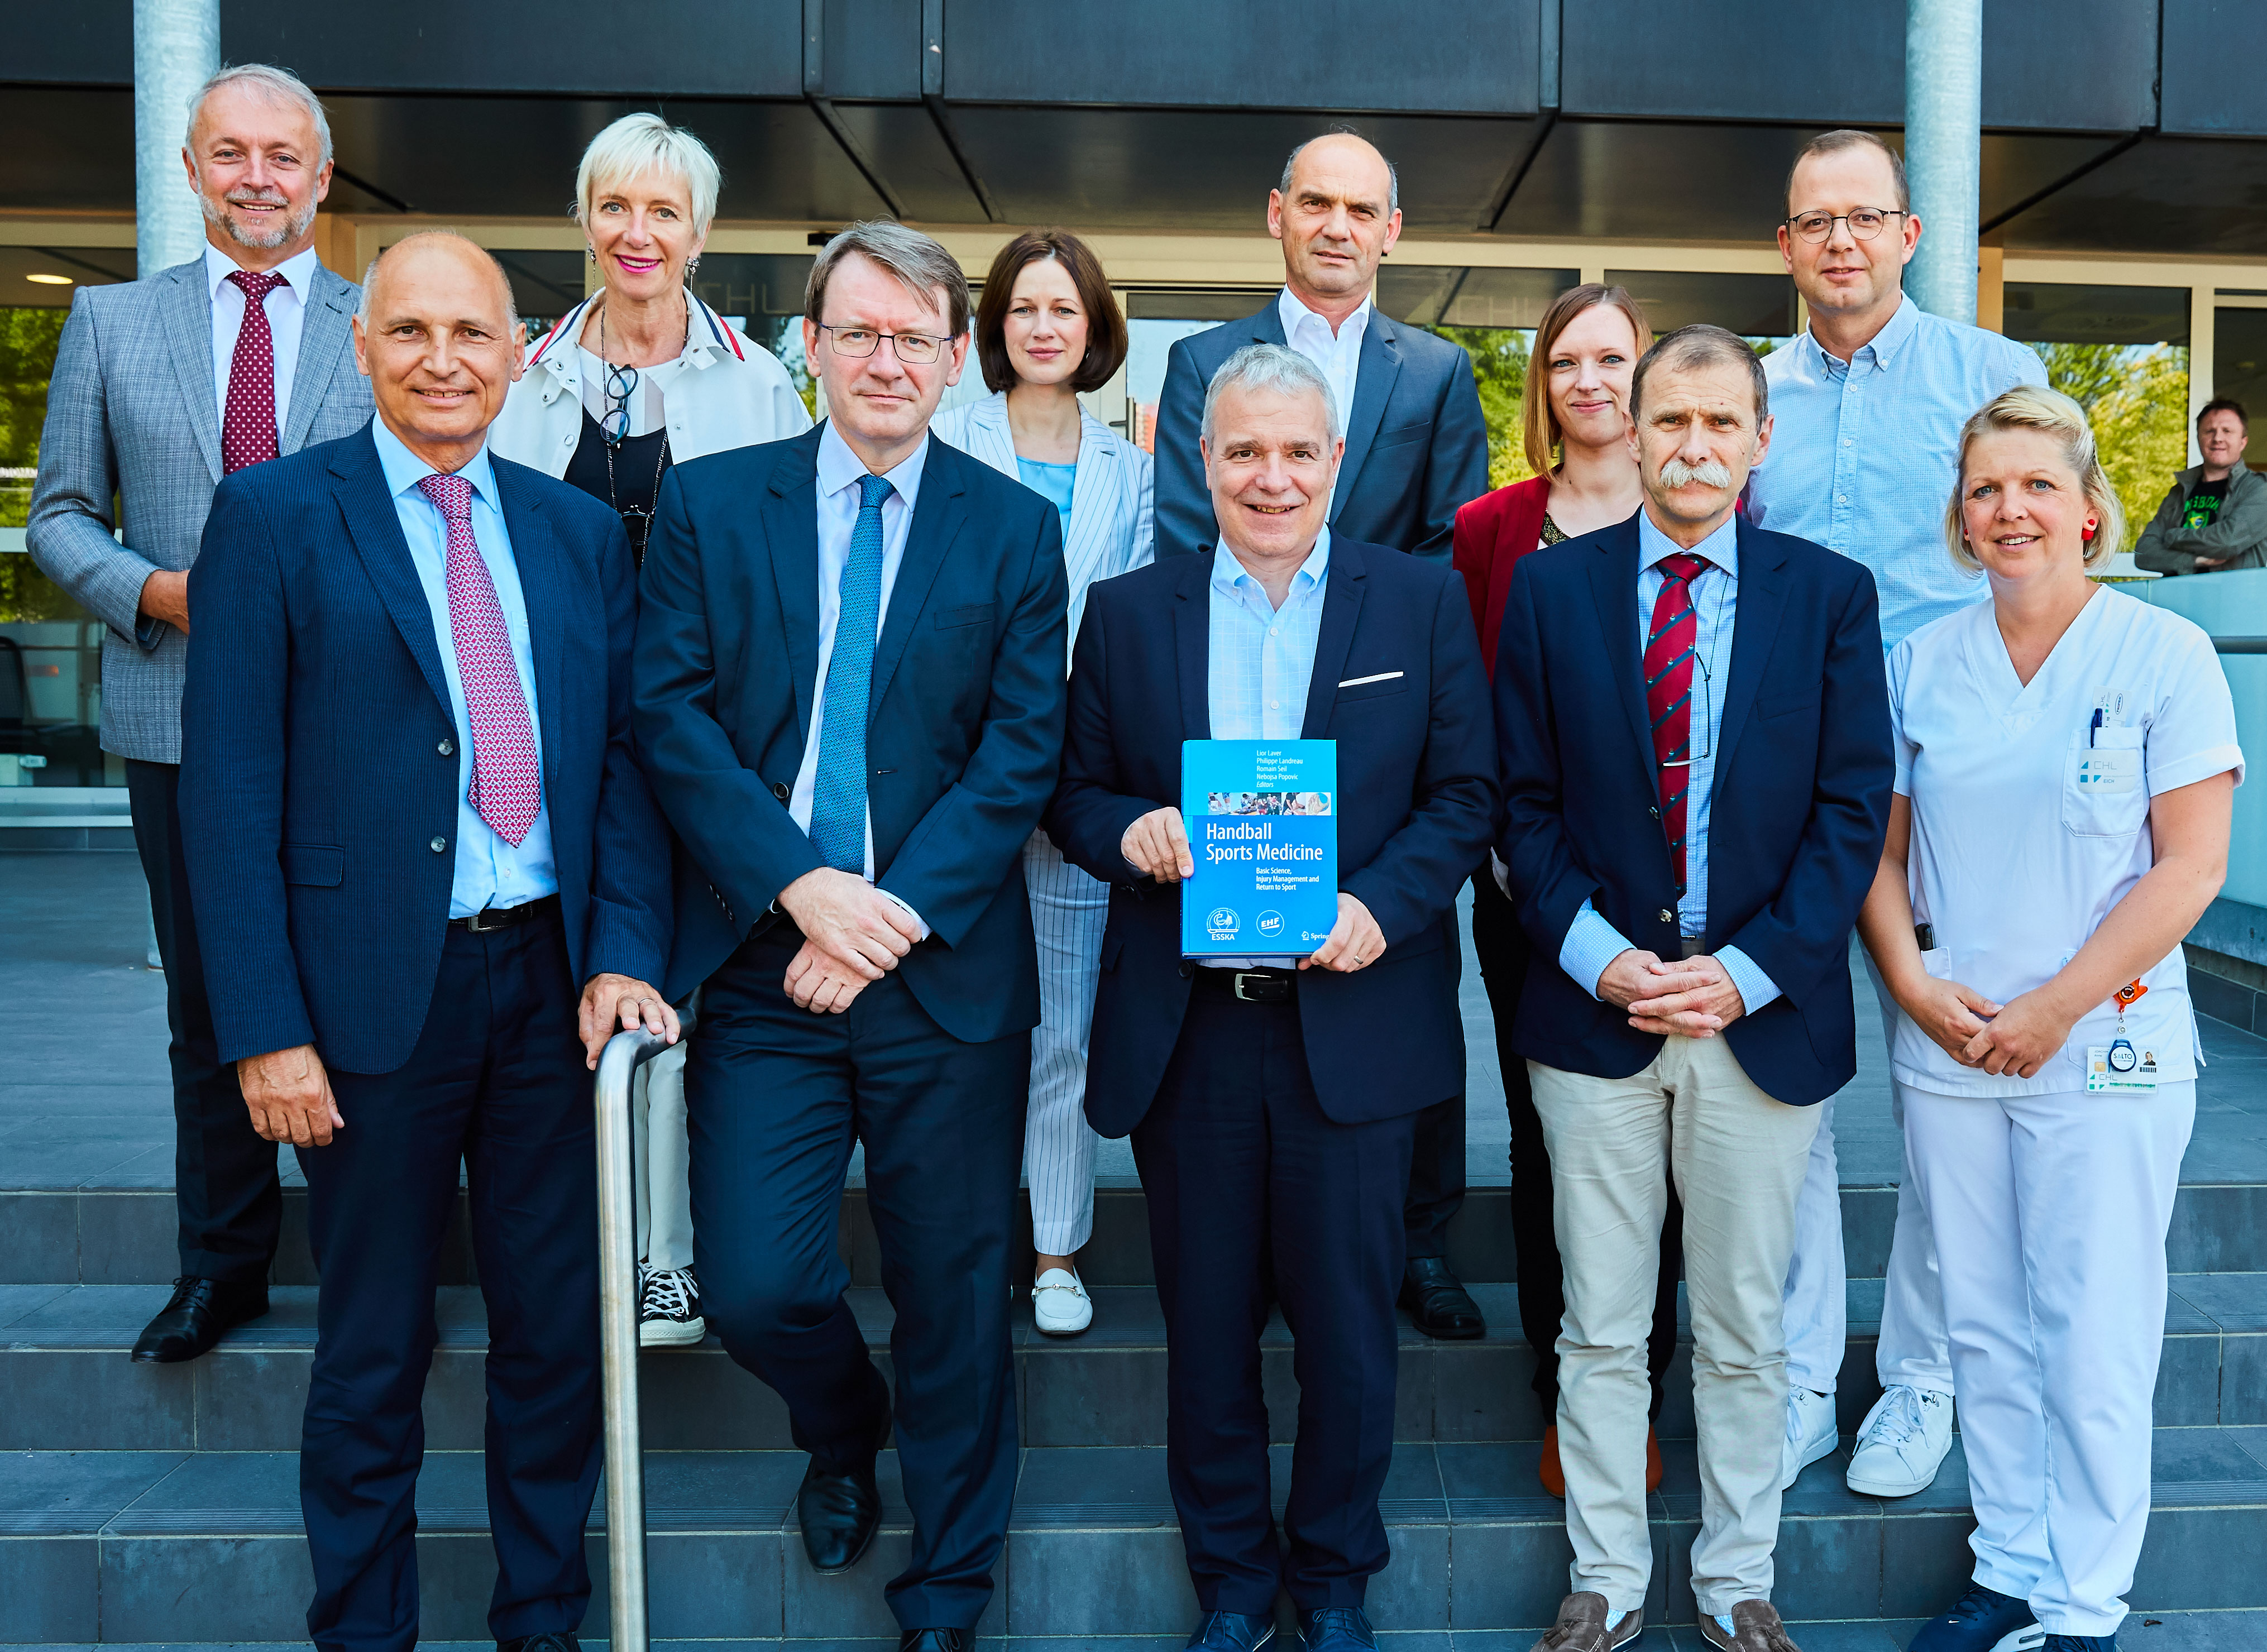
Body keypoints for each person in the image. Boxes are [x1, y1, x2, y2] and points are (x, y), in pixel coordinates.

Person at [176, 230, 675, 1652]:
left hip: (551, 990)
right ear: (362, 348)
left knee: (553, 1341)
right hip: (363, 1004)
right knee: (372, 1348)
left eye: (472, 333)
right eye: (411, 332)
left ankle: (543, 1621)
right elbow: (228, 791)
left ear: (522, 353)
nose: (444, 360)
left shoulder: (575, 530)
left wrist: (620, 949)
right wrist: (266, 1027)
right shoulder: (273, 516)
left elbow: (625, 766)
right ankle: (364, 1632)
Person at [633, 221, 1067, 1652]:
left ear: (958, 359)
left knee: (954, 1295)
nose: (887, 360)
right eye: (859, 332)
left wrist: (878, 918)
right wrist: (800, 888)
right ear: (810, 346)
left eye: (916, 338)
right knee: (759, 1281)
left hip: (942, 974)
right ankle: (843, 1421)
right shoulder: (711, 503)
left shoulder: (1014, 527)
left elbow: (1019, 754)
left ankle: (946, 1591)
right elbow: (673, 716)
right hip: (768, 967)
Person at [1048, 343, 1494, 1652]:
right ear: (1204, 462)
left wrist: (1380, 905)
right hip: (1189, 1030)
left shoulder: (1414, 601)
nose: (1271, 474)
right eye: (1243, 450)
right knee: (1207, 1327)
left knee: (1353, 1329)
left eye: (1298, 450)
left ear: (1337, 461)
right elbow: (1073, 790)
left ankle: (1338, 1578)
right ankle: (1234, 1583)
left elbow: (1466, 795)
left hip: (1350, 1018)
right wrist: (1131, 830)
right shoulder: (1130, 614)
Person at [1499, 325, 1893, 1652]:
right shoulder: (1552, 596)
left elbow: (1851, 814)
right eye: (1672, 419)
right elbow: (1522, 806)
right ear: (1625, 422)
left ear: (1759, 438)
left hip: (1759, 1020)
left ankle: (1738, 1580)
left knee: (1743, 1326)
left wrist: (1742, 971)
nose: (1694, 445)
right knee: (1600, 1323)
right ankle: (1603, 1576)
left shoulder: (1828, 595)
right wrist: (1595, 951)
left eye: (1723, 422)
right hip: (1590, 1014)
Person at [1863, 386, 2240, 1652]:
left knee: (2094, 1325)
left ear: (2089, 507)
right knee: (1979, 1320)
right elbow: (1881, 857)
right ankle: (2010, 1565)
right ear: (1961, 522)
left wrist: (2056, 1007)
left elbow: (2187, 868)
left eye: (2035, 485)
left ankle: (2084, 1605)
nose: (2009, 508)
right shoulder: (1923, 662)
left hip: (2106, 1049)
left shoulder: (2163, 654)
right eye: (1984, 490)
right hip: (1954, 1043)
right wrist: (1917, 987)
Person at [25, 63, 375, 1366]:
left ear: (322, 177)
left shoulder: (373, 322)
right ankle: (220, 1263)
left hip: (351, 729)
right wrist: (155, 588)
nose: (258, 178)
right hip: (176, 712)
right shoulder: (114, 324)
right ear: (192, 169)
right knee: (210, 1000)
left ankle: (360, 1257)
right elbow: (59, 514)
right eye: (230, 153)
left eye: (284, 156)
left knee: (354, 994)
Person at [1744, 127, 2048, 1500]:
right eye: (1817, 221)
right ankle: (1806, 1369)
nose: (1842, 242)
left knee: (1942, 1083)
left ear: (1910, 233)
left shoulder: (1995, 379)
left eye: (1865, 216)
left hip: (1954, 777)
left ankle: (1922, 1373)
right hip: (1793, 781)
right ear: (1788, 242)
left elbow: (2045, 553)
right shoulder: (1751, 395)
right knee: (1791, 1084)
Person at [1154, 130, 1492, 1342]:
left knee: (1402, 966)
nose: (1338, 226)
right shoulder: (1204, 359)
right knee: (1268, 999)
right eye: (1316, 204)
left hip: (1380, 702)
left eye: (1362, 208)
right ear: (1277, 216)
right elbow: (1191, 529)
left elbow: (1448, 541)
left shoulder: (1436, 368)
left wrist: (1376, 679)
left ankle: (1419, 1238)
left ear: (1391, 230)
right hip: (1244, 706)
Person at [491, 111, 811, 1351]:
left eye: (663, 212)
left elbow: (784, 567)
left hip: (698, 732)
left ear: (701, 233)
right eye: (616, 207)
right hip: (555, 734)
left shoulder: (755, 380)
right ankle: (581, 1241)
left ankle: (664, 1258)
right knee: (563, 979)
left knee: (673, 983)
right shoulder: (526, 373)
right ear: (585, 219)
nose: (638, 233)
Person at [1452, 282, 1680, 1498]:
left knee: (1681, 1147)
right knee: (1556, 1144)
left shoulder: (1701, 504)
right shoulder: (1491, 529)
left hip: (1685, 905)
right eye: (1564, 362)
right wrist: (1505, 861)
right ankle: (1567, 1392)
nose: (1587, 381)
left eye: (1611, 358)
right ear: (1540, 386)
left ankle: (1648, 1380)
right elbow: (1471, 707)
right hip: (1531, 894)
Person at [932, 228, 1153, 1338]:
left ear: (1094, 328)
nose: (1043, 327)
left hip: (1075, 786)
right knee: (960, 1026)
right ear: (995, 327)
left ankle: (1058, 1246)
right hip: (957, 782)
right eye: (1023, 309)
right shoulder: (944, 439)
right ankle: (963, 1237)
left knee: (1062, 1025)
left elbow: (1129, 643)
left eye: (1063, 310)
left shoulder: (1132, 472)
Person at [2132, 399, 2267, 576]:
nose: (2218, 438)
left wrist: (2173, 536)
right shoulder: (2179, 491)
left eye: (2227, 431)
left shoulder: (2260, 489)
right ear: (2198, 438)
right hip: (2178, 600)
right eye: (2210, 431)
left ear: (2243, 442)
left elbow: (2226, 542)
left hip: (2233, 600)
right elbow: (2143, 553)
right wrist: (2193, 561)